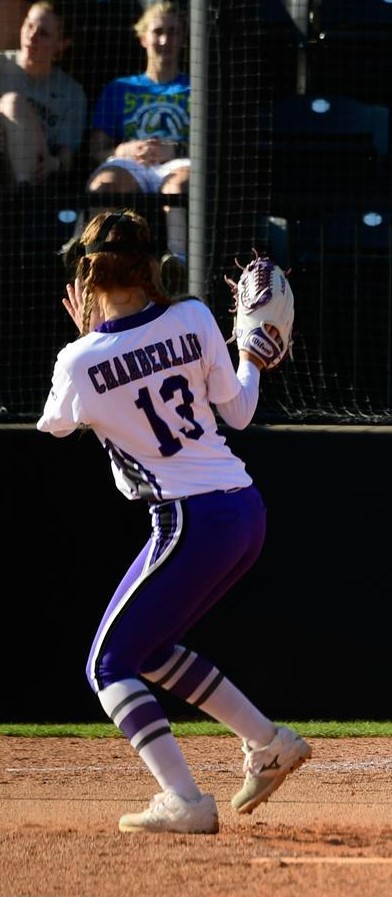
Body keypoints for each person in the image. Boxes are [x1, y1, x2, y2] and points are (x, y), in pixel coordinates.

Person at [35, 209, 311, 834]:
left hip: (188, 521)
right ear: (151, 263)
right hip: (243, 510)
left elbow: (56, 425)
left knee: (107, 665)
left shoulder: (80, 358)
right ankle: (268, 743)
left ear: (88, 274)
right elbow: (238, 414)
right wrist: (251, 359)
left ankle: (185, 801)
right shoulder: (192, 316)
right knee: (151, 650)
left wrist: (86, 338)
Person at [83, 2, 191, 260]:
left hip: (178, 164)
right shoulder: (118, 88)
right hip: (130, 165)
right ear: (143, 37)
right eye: (158, 31)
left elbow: (213, 146)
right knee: (102, 185)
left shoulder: (195, 88)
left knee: (180, 186)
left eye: (173, 32)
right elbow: (96, 148)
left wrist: (175, 149)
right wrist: (124, 149)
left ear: (184, 38)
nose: (165, 39)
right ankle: (89, 256)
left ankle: (178, 261)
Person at [1, 1, 85, 189]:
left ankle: (23, 194)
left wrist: (55, 163)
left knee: (13, 102)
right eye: (29, 25)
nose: (32, 36)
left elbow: (67, 155)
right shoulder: (2, 66)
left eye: (43, 34)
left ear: (62, 44)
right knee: (10, 103)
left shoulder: (71, 92)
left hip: (37, 170)